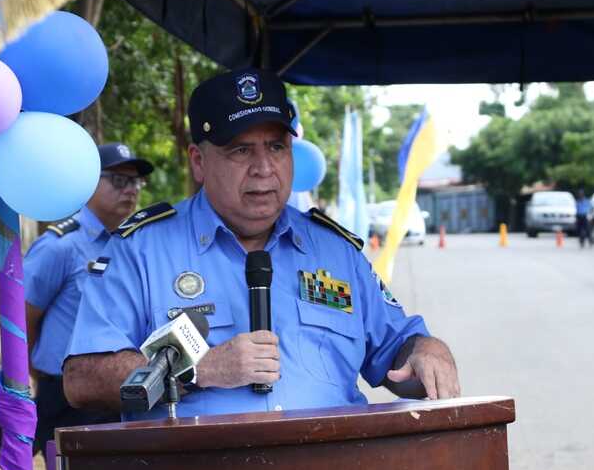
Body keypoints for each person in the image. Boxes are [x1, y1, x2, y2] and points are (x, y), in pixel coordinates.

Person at [63, 69, 459, 420]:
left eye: (276, 147)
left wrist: (427, 353)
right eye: (240, 149)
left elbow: (397, 350)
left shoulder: (336, 252)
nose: (264, 168)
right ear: (199, 161)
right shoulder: (141, 250)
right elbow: (83, 378)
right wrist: (198, 368)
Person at [24, 142, 153, 470]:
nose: (130, 190)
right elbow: (24, 315)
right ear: (87, 184)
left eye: (135, 182)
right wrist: (37, 370)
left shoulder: (136, 244)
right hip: (66, 397)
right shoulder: (62, 245)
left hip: (120, 390)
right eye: (118, 180)